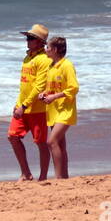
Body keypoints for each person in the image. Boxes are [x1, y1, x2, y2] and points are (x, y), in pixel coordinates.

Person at [8, 23, 52, 181]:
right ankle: (25, 173)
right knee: (13, 136)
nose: (27, 40)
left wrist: (25, 105)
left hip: (38, 109)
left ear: (41, 42)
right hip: (23, 106)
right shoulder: (27, 57)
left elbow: (39, 86)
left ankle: (43, 176)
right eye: (27, 37)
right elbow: (24, 85)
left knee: (41, 143)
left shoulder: (44, 59)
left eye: (31, 38)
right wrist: (18, 104)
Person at [38, 36, 78, 179]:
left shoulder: (67, 65)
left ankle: (58, 177)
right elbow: (52, 88)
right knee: (60, 144)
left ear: (55, 50)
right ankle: (65, 177)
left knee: (51, 141)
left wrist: (54, 97)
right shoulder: (51, 66)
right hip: (54, 111)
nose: (45, 50)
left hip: (66, 110)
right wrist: (44, 94)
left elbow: (73, 88)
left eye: (48, 47)